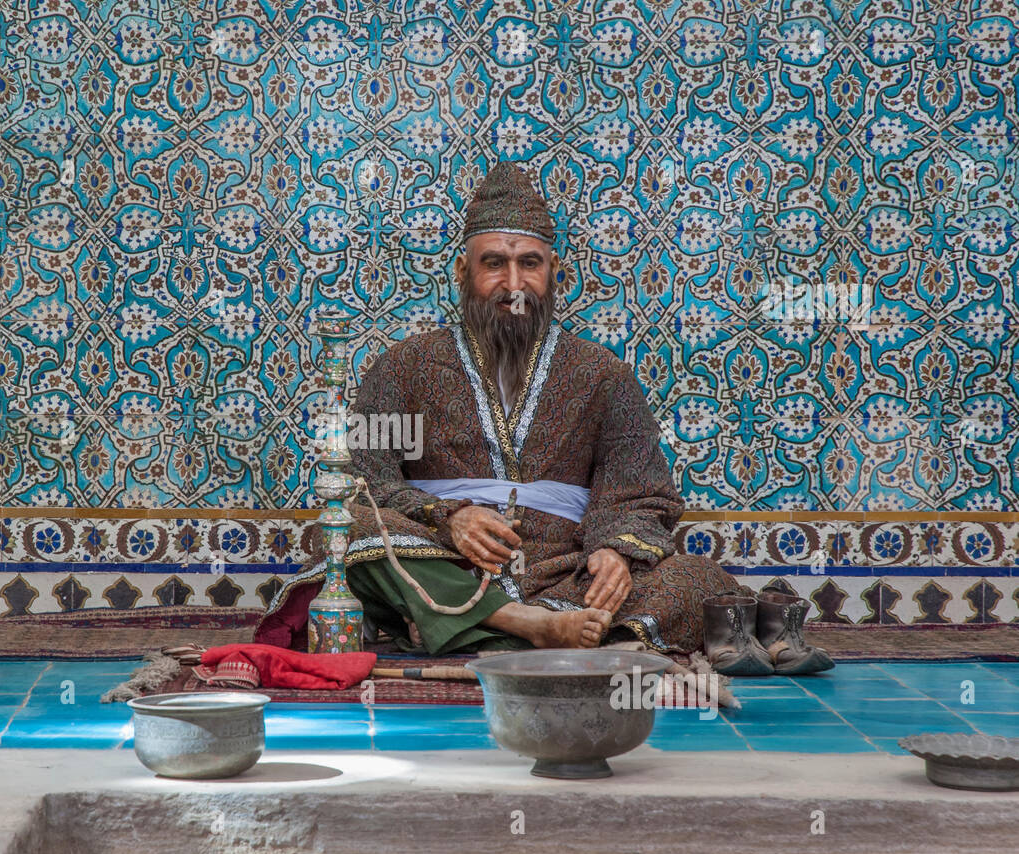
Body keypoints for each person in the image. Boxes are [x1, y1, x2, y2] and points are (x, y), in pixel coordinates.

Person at [254, 162, 833, 674]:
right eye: (495, 265)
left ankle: (487, 626)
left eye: (529, 264)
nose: (513, 285)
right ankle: (527, 626)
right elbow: (366, 480)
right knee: (352, 534)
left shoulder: (601, 374)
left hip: (566, 568)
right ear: (463, 272)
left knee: (698, 578)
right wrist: (446, 515)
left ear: (554, 271)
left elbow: (637, 487)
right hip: (446, 559)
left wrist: (615, 549)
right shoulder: (402, 368)